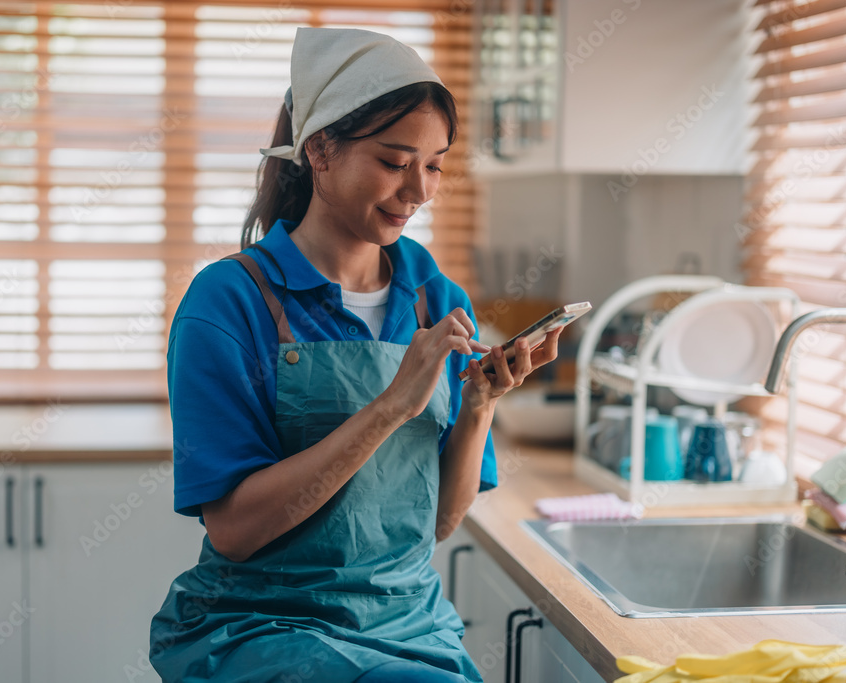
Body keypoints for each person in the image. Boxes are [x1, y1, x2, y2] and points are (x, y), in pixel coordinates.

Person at [149, 26, 562, 683]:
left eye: (434, 165)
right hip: (265, 625)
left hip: (410, 625)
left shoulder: (436, 300)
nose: (419, 191)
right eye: (395, 163)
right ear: (319, 150)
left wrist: (479, 402)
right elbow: (233, 530)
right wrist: (392, 405)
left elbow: (438, 522)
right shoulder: (229, 302)